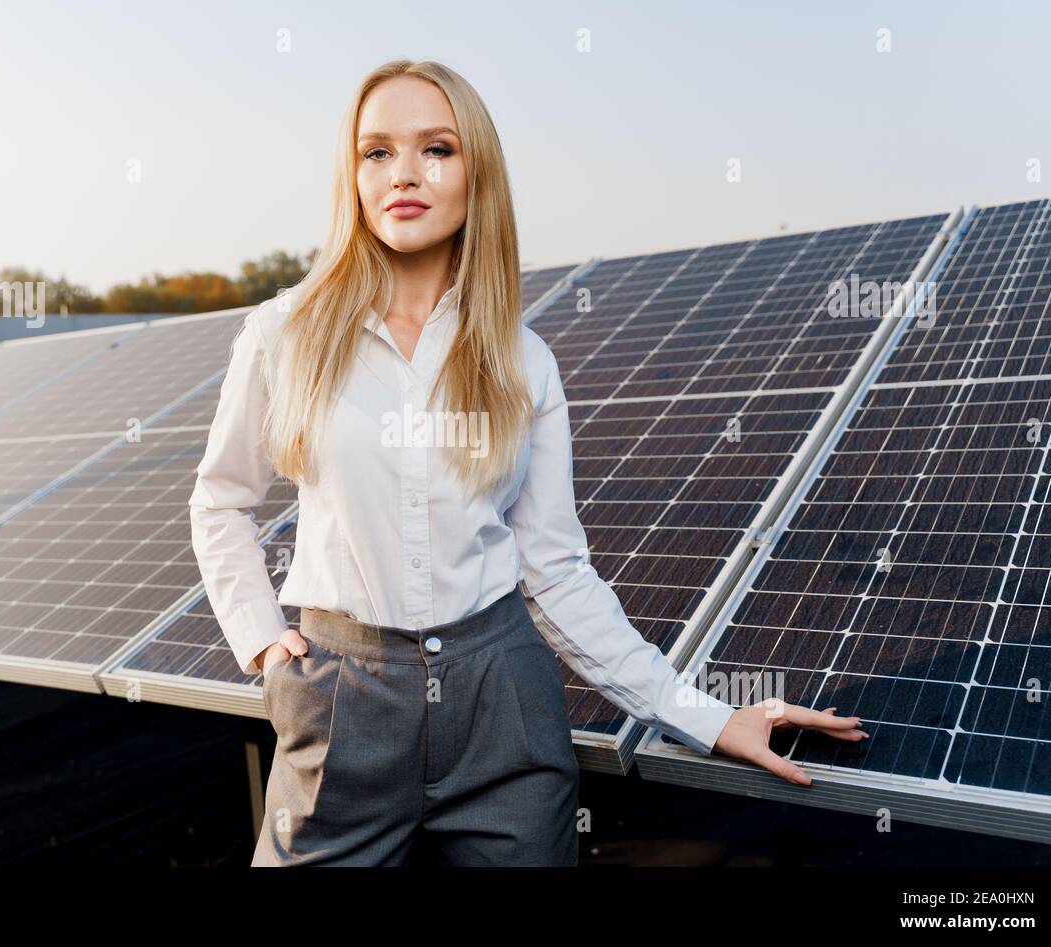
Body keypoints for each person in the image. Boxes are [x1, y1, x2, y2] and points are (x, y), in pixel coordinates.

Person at [189, 58, 868, 867]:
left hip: (503, 708)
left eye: (436, 149)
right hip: (342, 708)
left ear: (478, 172)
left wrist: (709, 716)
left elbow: (554, 571)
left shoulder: (523, 361)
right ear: (352, 174)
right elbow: (221, 502)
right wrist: (265, 646)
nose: (404, 173)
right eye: (377, 152)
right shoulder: (283, 335)